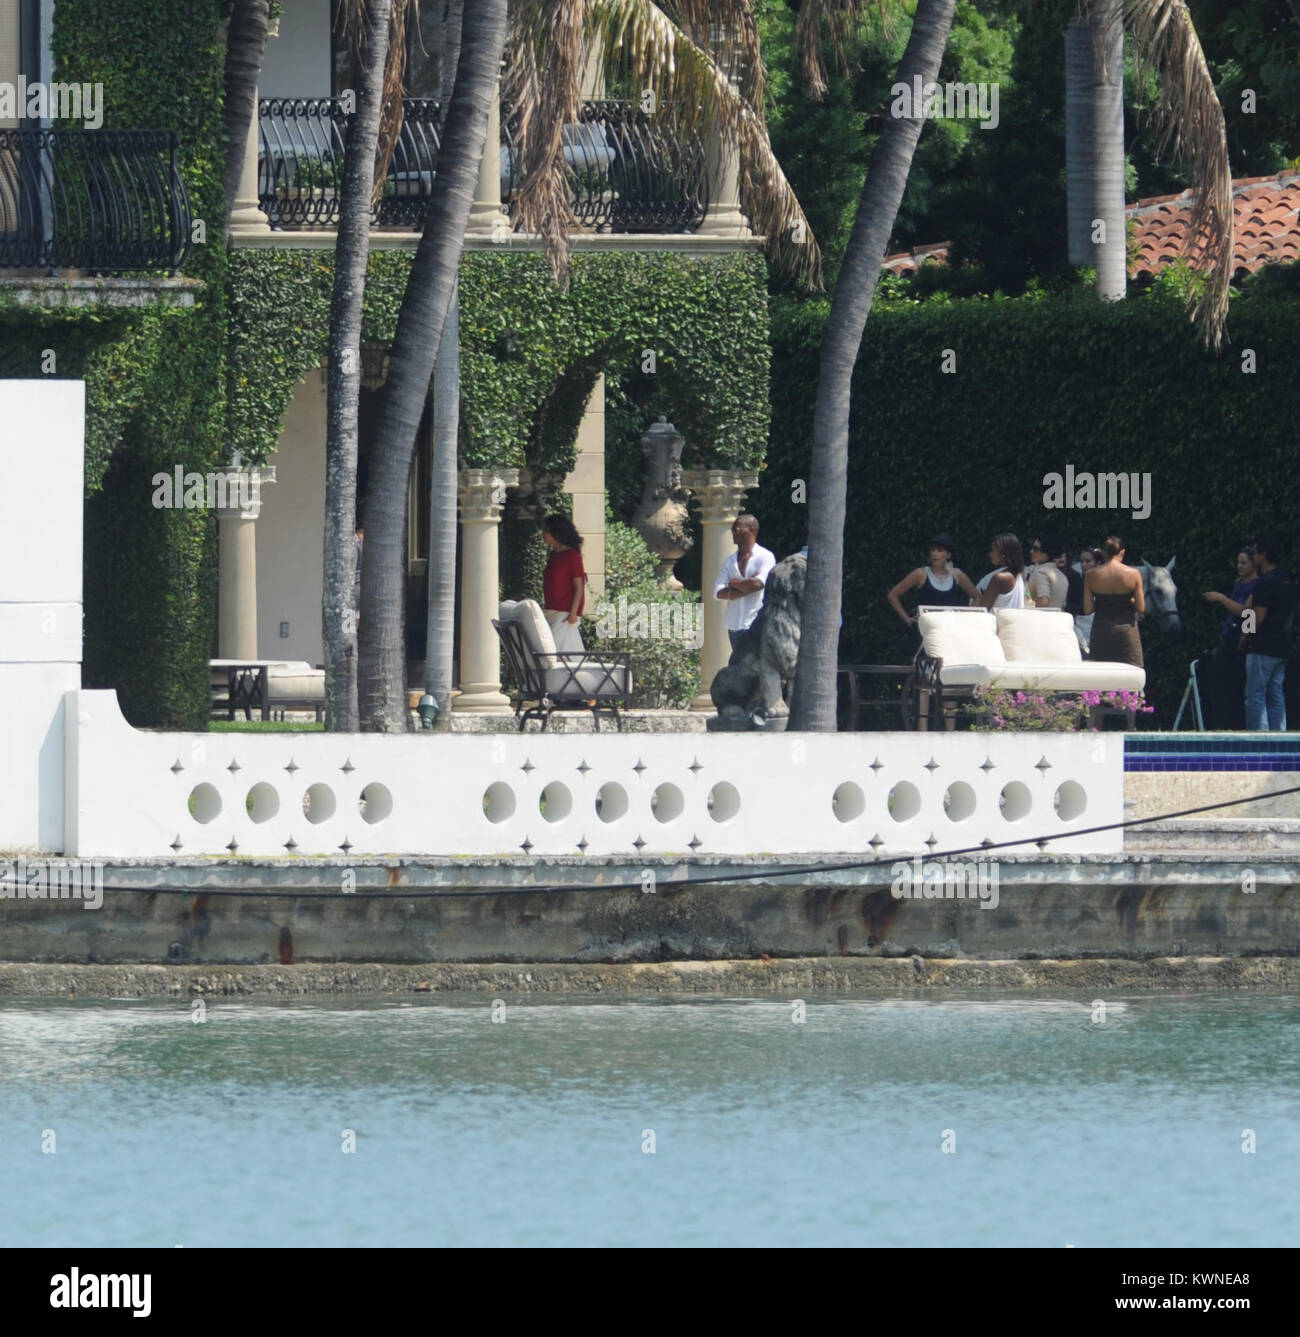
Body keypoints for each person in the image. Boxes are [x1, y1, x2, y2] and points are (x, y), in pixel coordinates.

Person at [886, 532, 979, 649]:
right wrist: (908, 620)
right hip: (925, 632)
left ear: (948, 554)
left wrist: (966, 619)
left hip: (950, 632)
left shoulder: (957, 575)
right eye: (932, 550)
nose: (935, 553)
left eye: (939, 550)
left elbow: (977, 596)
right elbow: (893, 595)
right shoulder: (920, 574)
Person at [1202, 546, 1257, 729]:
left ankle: (1236, 724)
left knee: (1237, 685)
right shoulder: (1239, 582)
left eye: (1244, 563)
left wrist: (1220, 597)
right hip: (1229, 637)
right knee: (1218, 682)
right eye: (1238, 562)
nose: (1239, 566)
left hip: (1241, 641)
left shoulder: (1257, 585)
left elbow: (1246, 613)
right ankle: (1221, 723)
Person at [1243, 536, 1293, 731]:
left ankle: (1259, 740)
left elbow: (1257, 616)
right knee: (1275, 695)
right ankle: (1279, 737)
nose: (1253, 557)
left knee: (1256, 695)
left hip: (1263, 647)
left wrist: (1244, 637)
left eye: (1255, 553)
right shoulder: (1286, 579)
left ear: (1263, 555)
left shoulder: (1265, 582)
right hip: (1282, 646)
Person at [715, 513, 776, 651]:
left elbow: (758, 584)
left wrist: (732, 583)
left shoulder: (765, 557)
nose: (732, 533)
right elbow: (718, 592)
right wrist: (745, 586)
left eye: (736, 529)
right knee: (739, 669)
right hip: (734, 626)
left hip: (756, 624)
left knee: (755, 668)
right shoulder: (729, 561)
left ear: (751, 531)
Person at [1084, 535, 1144, 667]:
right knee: (1131, 677)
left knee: (1101, 678)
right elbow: (1141, 607)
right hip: (1126, 632)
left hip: (1101, 632)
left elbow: (1087, 609)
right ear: (1122, 552)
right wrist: (1130, 600)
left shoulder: (1091, 575)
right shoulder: (1133, 574)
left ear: (1103, 552)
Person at [541, 513, 587, 654]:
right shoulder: (553, 555)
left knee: (554, 651)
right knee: (567, 649)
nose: (543, 534)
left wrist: (573, 613)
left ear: (556, 533)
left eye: (546, 531)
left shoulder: (571, 556)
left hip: (565, 612)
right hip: (552, 610)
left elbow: (579, 586)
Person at [974, 534, 1027, 609]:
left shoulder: (1000, 578)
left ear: (1003, 554)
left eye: (993, 550)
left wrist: (978, 597)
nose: (991, 554)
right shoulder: (1020, 573)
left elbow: (983, 610)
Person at [1027, 535, 1069, 609]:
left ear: (1046, 552)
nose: (1031, 551)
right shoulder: (1062, 575)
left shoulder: (1041, 573)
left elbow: (1043, 602)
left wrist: (1028, 602)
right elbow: (1063, 604)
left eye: (1035, 549)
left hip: (1040, 618)